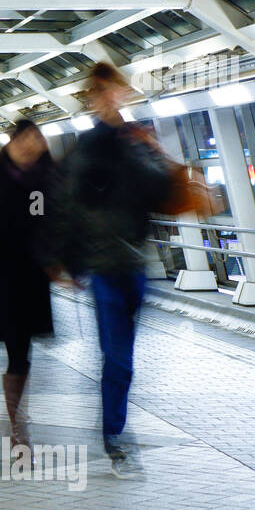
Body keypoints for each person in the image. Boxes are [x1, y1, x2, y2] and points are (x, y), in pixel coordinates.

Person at [52, 63, 179, 477]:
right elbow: (68, 206)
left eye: (116, 91)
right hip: (103, 266)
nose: (110, 98)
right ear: (93, 96)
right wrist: (70, 261)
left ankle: (114, 429)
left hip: (135, 264)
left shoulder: (136, 139)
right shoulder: (86, 148)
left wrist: (155, 152)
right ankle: (114, 436)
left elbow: (161, 193)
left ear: (123, 93)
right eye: (102, 92)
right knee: (117, 356)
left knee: (124, 357)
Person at [0, 120, 57, 451]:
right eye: (29, 137)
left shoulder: (44, 178)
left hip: (33, 278)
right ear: (16, 141)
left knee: (24, 353)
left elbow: (51, 221)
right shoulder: (0, 179)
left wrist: (59, 259)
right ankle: (18, 426)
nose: (36, 143)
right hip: (5, 278)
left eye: (38, 137)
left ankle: (17, 419)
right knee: (16, 352)